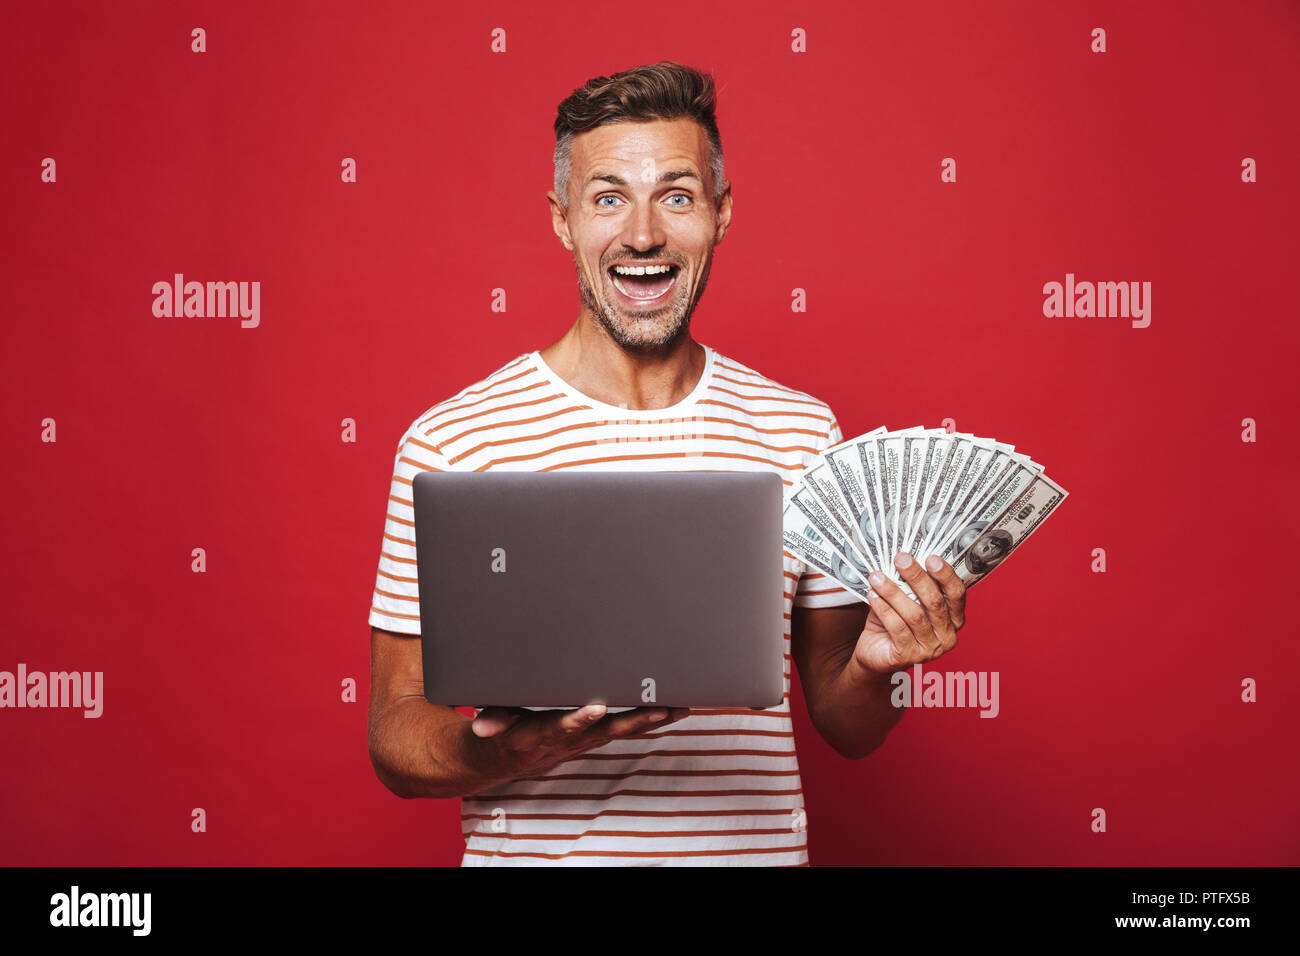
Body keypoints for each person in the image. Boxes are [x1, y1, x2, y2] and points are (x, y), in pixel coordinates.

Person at [366, 61, 968, 866]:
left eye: (676, 196)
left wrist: (884, 663)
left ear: (721, 215)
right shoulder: (453, 442)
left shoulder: (801, 430)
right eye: (608, 197)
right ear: (561, 220)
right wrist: (518, 750)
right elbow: (394, 736)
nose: (643, 234)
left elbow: (849, 725)